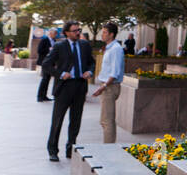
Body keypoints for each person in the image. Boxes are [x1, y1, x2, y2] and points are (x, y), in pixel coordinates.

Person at [42, 21, 94, 161]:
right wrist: (60, 73)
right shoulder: (59, 46)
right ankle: (53, 150)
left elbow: (91, 62)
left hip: (80, 86)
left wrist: (89, 71)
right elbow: (46, 64)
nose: (78, 33)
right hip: (64, 87)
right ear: (66, 33)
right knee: (57, 120)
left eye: (79, 30)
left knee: (75, 120)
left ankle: (71, 148)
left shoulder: (84, 45)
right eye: (74, 30)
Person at [91, 21, 124, 144]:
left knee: (107, 120)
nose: (102, 35)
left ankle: (108, 148)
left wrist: (103, 86)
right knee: (105, 120)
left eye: (105, 32)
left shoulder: (116, 49)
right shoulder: (110, 48)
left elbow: (114, 72)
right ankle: (108, 146)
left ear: (111, 34)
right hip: (107, 86)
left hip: (110, 87)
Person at [36, 28, 58, 103]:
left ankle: (44, 96)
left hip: (51, 63)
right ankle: (39, 96)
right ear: (50, 33)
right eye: (54, 33)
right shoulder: (44, 40)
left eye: (56, 33)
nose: (55, 35)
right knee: (45, 79)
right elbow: (39, 50)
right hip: (44, 62)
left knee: (47, 79)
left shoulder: (54, 41)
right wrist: (49, 49)